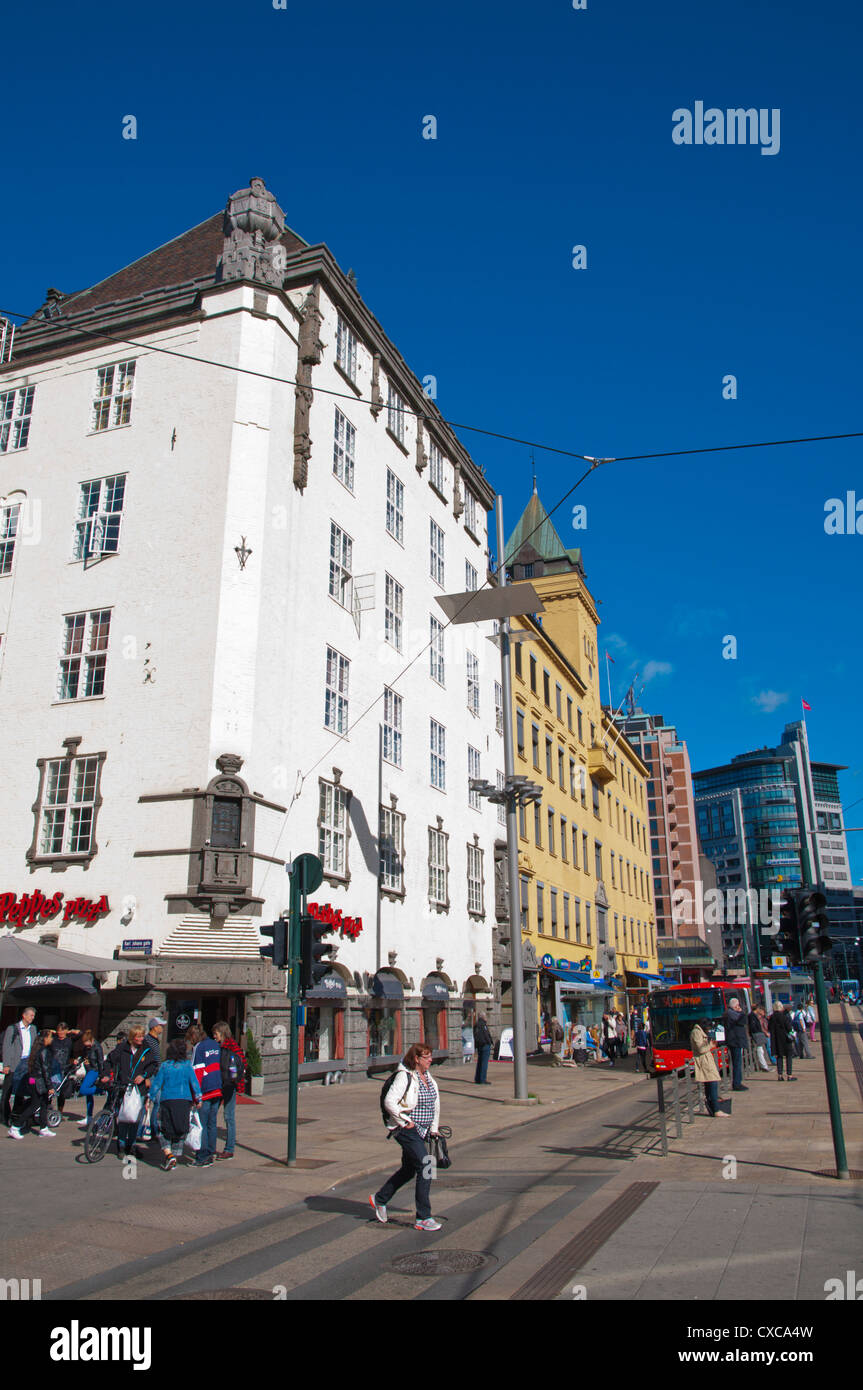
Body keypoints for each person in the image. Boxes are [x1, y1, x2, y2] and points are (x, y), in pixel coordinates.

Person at [370, 1044, 442, 1233]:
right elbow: (389, 1102)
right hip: (406, 1129)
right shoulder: (405, 1076)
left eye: (431, 1056)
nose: (430, 1060)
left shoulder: (428, 1078)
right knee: (426, 1166)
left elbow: (435, 1104)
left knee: (409, 1170)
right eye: (426, 1057)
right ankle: (423, 1217)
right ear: (417, 1059)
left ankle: (380, 1199)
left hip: (422, 1131)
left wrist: (434, 1129)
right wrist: (404, 1121)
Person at [104, 1025, 160, 1158]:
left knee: (135, 1118)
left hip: (138, 1089)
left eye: (142, 1036)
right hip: (124, 1086)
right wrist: (106, 1075)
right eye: (138, 1036)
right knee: (123, 1117)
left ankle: (132, 1144)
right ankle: (121, 1145)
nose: (141, 1039)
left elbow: (153, 1065)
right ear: (132, 1037)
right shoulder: (122, 1048)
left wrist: (144, 1075)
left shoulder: (146, 1049)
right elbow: (109, 1061)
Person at [149, 1038, 202, 1170]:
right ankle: (175, 1156)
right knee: (180, 1129)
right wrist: (198, 1098)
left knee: (163, 1129)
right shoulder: (187, 1065)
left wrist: (149, 1097)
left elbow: (157, 1084)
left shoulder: (165, 1066)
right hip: (184, 1101)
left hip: (167, 1100)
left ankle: (168, 1153)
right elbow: (194, 1082)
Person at [8, 1031, 57, 1139]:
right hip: (39, 1082)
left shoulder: (37, 1050)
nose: (52, 1039)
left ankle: (43, 1128)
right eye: (50, 1037)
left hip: (34, 1081)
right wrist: (50, 1086)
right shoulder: (43, 1051)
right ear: (44, 1038)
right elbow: (45, 1070)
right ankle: (15, 1126)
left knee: (44, 1104)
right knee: (35, 1105)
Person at [187, 1025, 223, 1168]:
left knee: (200, 1125)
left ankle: (203, 1156)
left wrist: (196, 1096)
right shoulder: (215, 1044)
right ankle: (211, 1151)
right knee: (211, 1123)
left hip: (206, 1090)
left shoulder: (199, 1048)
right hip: (217, 1087)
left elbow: (198, 1071)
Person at [212, 1020, 245, 1160]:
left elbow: (242, 1064)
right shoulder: (217, 1047)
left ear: (222, 1033)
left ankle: (229, 1148)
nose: (214, 1036)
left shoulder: (230, 1047)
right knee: (213, 1115)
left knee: (228, 1116)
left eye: (216, 1034)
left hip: (228, 1085)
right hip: (221, 1084)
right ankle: (211, 1146)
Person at [2, 1006, 37, 1126]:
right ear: (24, 1015)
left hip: (26, 1065)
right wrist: (6, 1064)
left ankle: (17, 1115)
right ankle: (5, 1116)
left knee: (21, 1092)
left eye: (33, 1016)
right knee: (7, 1091)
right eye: (31, 1015)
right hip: (14, 1064)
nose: (32, 1018)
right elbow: (6, 1047)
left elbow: (35, 1045)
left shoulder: (33, 1029)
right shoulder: (13, 1029)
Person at [690, 1020, 725, 1118]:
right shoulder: (696, 1032)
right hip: (703, 1061)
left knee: (710, 1084)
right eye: (709, 1029)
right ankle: (716, 1109)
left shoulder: (699, 1032)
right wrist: (710, 1045)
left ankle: (712, 1108)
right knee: (712, 1083)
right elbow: (701, 1049)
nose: (709, 1031)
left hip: (706, 1059)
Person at [76, 1030, 106, 1127]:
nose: (87, 1046)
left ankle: (101, 1090)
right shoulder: (86, 1048)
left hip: (94, 1070)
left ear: (91, 1040)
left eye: (88, 1044)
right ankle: (89, 1116)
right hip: (89, 1069)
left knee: (83, 1090)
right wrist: (78, 1060)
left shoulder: (97, 1047)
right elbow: (84, 1057)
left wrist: (102, 1076)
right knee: (88, 1095)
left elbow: (101, 1062)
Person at [722, 996, 749, 1092]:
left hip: (734, 1040)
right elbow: (743, 1021)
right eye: (737, 1006)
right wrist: (741, 1012)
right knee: (737, 1063)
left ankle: (737, 1082)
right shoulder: (731, 1014)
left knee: (737, 1062)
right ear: (735, 1006)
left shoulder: (729, 1013)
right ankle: (737, 1083)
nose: (739, 1007)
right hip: (735, 1041)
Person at [768, 1002, 797, 1081]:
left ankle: (780, 1075)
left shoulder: (771, 1018)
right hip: (785, 1040)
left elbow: (769, 1028)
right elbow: (789, 1028)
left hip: (776, 1040)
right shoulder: (784, 1017)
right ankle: (789, 1075)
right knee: (789, 1057)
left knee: (779, 1057)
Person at [748, 1005, 771, 1071]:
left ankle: (763, 1065)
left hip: (757, 1034)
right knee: (760, 1051)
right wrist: (758, 1032)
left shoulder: (753, 1015)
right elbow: (753, 1026)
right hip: (756, 1035)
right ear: (757, 1009)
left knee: (760, 1050)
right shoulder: (752, 1015)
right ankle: (764, 1066)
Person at [473, 1014, 493, 1084]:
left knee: (479, 1062)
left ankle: (477, 1078)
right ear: (483, 1017)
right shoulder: (483, 1025)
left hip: (479, 1045)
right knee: (484, 1063)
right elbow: (486, 1035)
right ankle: (482, 1079)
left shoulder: (476, 1025)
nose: (486, 1018)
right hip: (485, 1045)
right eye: (485, 1016)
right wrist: (489, 1042)